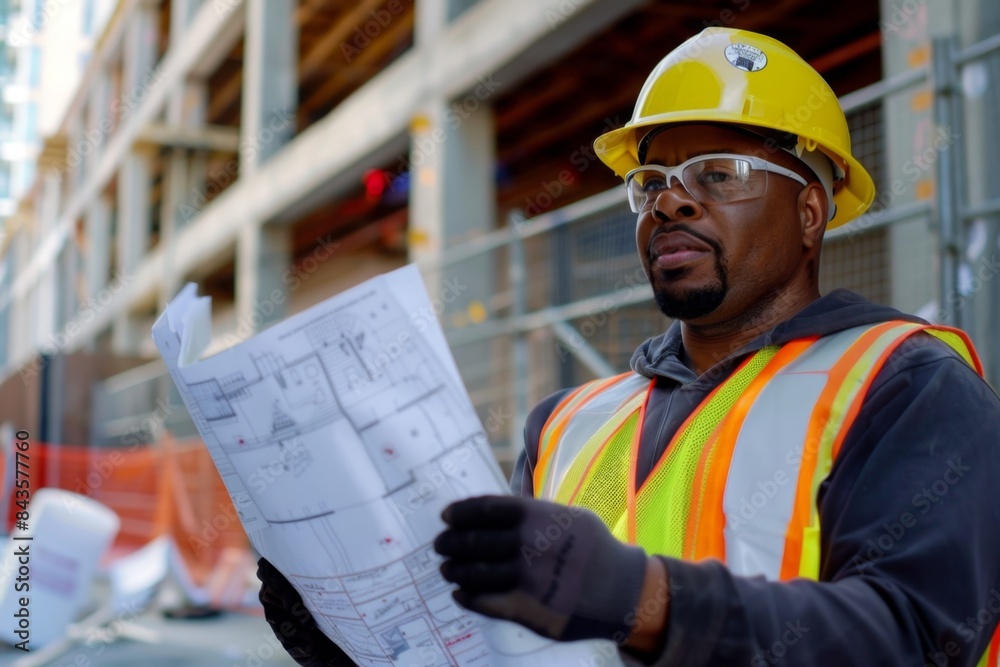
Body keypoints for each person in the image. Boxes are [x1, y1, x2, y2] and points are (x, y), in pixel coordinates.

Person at [257, 27, 1000, 666]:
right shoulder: (567, 423)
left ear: (810, 211)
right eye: (650, 182)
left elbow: (919, 635)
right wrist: (352, 633)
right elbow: (501, 644)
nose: (669, 200)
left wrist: (648, 600)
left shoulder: (905, 384)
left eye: (719, 173)